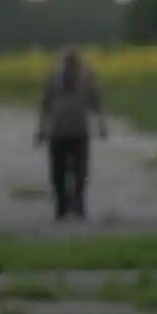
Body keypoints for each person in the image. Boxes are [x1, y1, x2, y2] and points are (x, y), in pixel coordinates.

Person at [36, 49, 107, 220]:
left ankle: (78, 205)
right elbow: (45, 106)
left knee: (80, 173)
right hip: (58, 132)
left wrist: (102, 125)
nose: (71, 68)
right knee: (58, 174)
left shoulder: (86, 80)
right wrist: (42, 130)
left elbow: (96, 103)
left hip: (79, 132)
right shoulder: (54, 80)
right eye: (69, 64)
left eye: (74, 65)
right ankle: (61, 208)